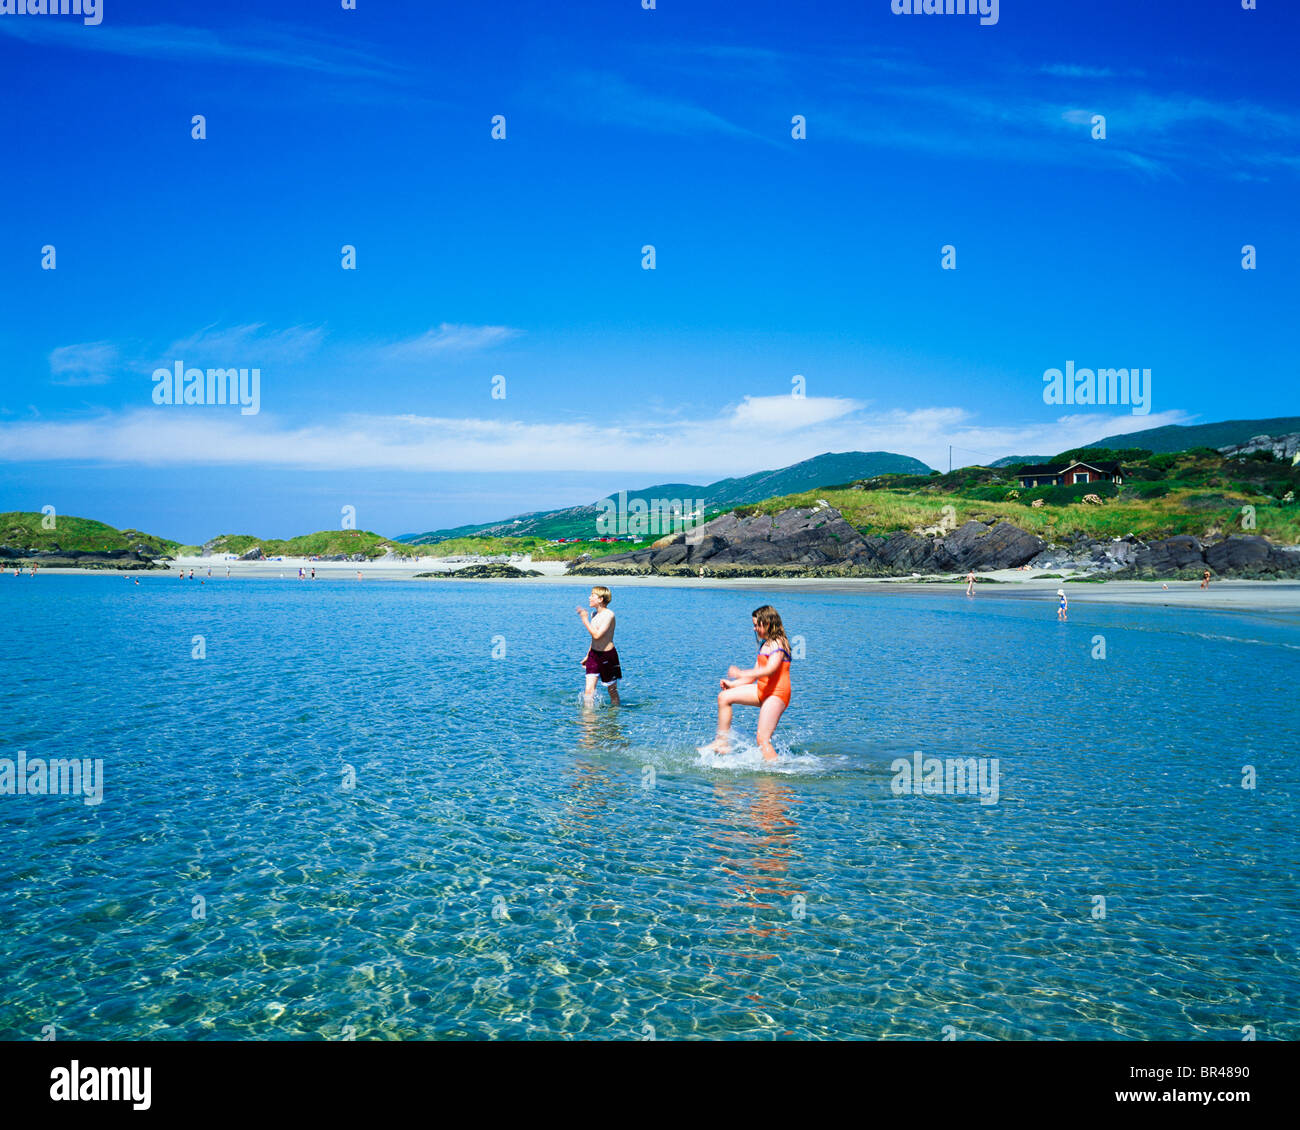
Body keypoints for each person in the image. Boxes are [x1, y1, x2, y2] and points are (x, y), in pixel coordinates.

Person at [705, 605, 791, 762]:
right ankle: (721, 743)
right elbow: (754, 675)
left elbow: (770, 670)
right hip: (762, 690)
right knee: (724, 697)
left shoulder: (779, 643)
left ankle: (778, 771)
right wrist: (733, 684)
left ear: (769, 623)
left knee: (762, 739)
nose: (754, 629)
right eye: (754, 625)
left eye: (757, 625)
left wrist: (740, 672)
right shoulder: (764, 644)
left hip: (777, 694)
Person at [576, 586, 621, 705]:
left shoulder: (609, 615)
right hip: (593, 655)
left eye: (592, 595)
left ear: (600, 599)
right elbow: (593, 639)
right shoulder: (594, 614)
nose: (589, 597)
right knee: (589, 691)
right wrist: (588, 655)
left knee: (612, 691)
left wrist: (584, 620)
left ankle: (613, 719)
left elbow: (597, 635)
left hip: (608, 656)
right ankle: (588, 721)